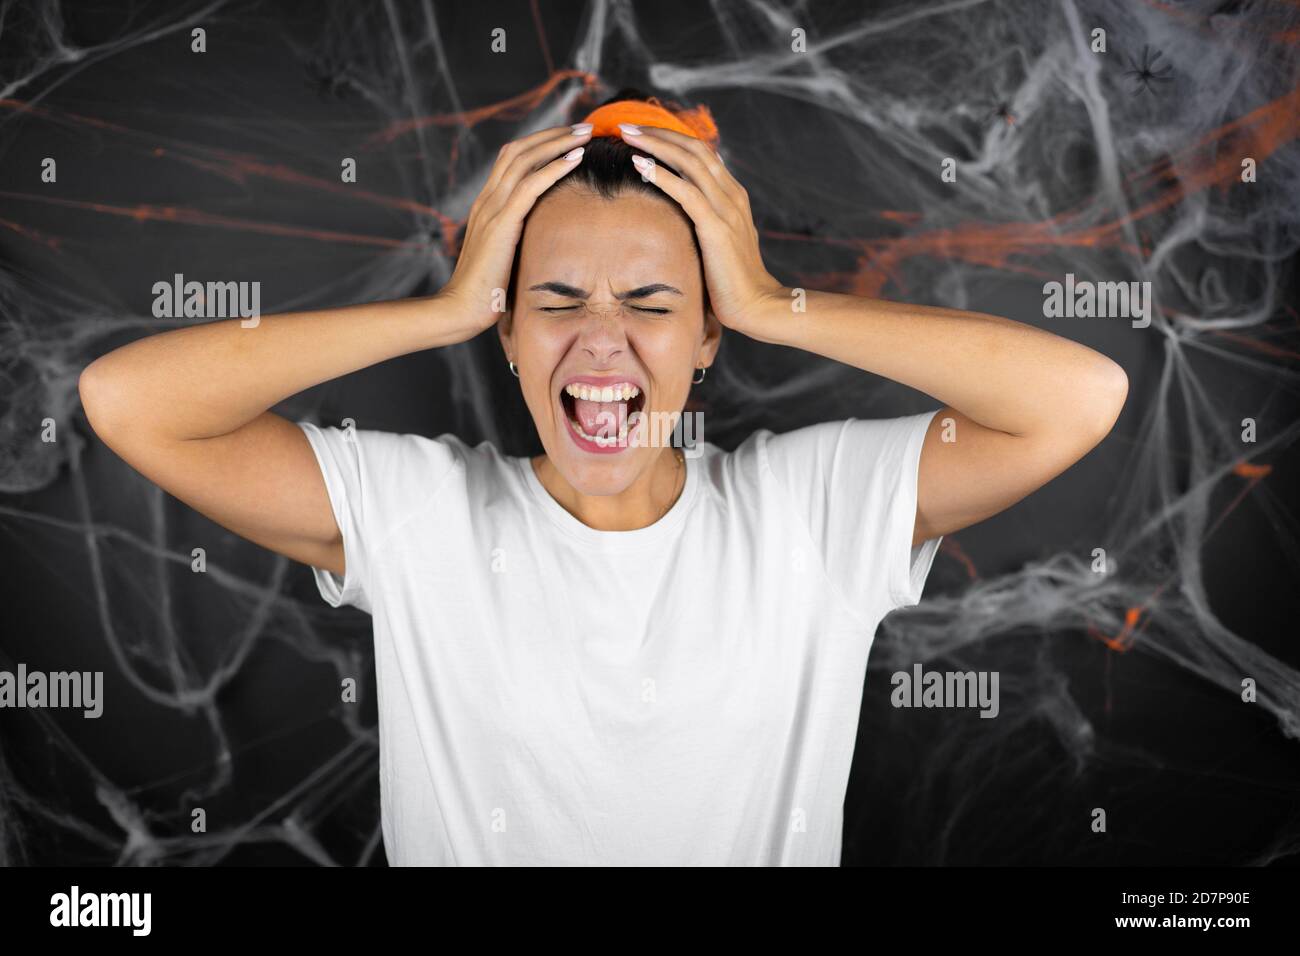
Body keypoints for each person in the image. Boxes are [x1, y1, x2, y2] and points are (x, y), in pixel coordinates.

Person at [78, 92, 1128, 865]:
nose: (601, 342)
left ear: (709, 335)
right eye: (558, 299)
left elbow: (1074, 397)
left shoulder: (811, 510)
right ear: (507, 326)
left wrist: (767, 300)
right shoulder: (419, 515)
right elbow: (131, 402)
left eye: (652, 302)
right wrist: (441, 309)